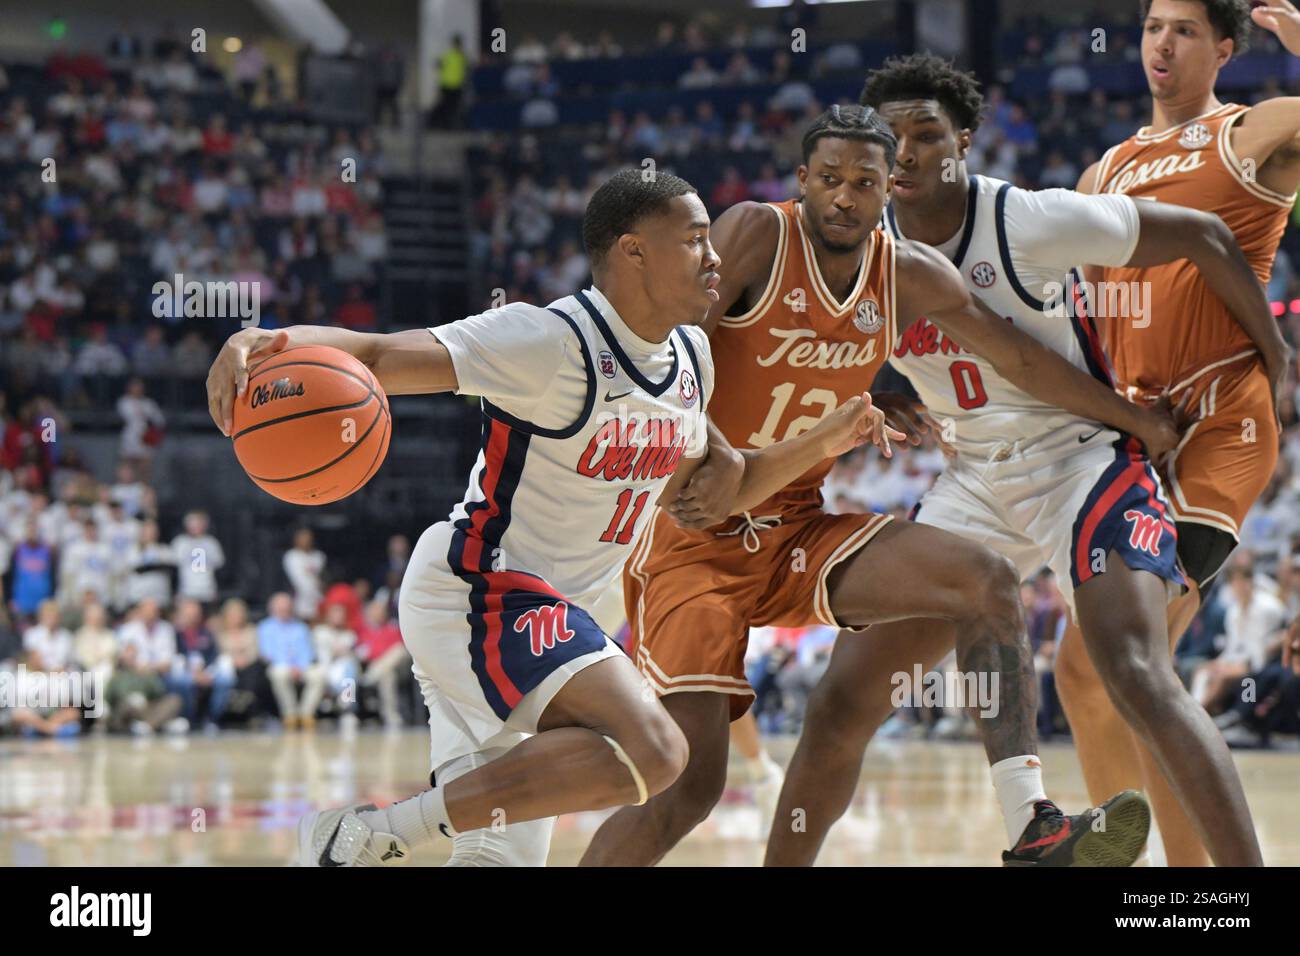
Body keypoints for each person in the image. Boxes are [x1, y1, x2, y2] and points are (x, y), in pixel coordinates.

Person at [207, 168, 901, 867]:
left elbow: (714, 493)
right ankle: (367, 833)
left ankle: (364, 839)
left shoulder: (692, 358)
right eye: (694, 241)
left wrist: (828, 439)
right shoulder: (547, 342)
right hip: (481, 591)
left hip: (555, 624)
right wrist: (262, 342)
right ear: (634, 252)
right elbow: (382, 352)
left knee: (495, 860)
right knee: (657, 752)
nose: (715, 256)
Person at [581, 107, 1161, 868]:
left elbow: (1018, 358)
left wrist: (1136, 420)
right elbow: (662, 352)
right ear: (802, 181)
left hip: (795, 527)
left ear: (891, 187)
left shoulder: (911, 274)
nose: (844, 198)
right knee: (687, 788)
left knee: (986, 580)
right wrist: (711, 443)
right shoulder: (757, 232)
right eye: (828, 180)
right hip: (694, 535)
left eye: (864, 181)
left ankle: (1032, 827)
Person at [765, 54, 1272, 868]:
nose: (910, 155)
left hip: (1082, 460)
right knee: (842, 699)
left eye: (928, 135)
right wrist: (889, 399)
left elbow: (1207, 236)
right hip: (972, 481)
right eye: (891, 140)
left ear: (964, 140)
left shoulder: (1030, 219)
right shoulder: (863, 249)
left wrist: (1275, 353)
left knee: (1135, 673)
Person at [1064, 0, 1300, 865]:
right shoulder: (1105, 171)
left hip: (1221, 421)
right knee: (1083, 673)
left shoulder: (1254, 132)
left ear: (1226, 49)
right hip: (1137, 429)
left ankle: (1203, 891)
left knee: (1141, 655)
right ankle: (1151, 880)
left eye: (1186, 29)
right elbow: (1073, 306)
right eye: (1153, 25)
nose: (1162, 42)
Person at [258, 592, 325, 729]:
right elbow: (267, 653)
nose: (285, 611)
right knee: (279, 674)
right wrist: (290, 666)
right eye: (281, 608)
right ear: (273, 609)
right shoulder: (265, 627)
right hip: (279, 665)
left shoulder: (300, 627)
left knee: (320, 674)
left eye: (287, 608)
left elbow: (308, 651)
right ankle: (290, 714)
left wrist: (299, 667)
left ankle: (306, 714)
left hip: (302, 666)